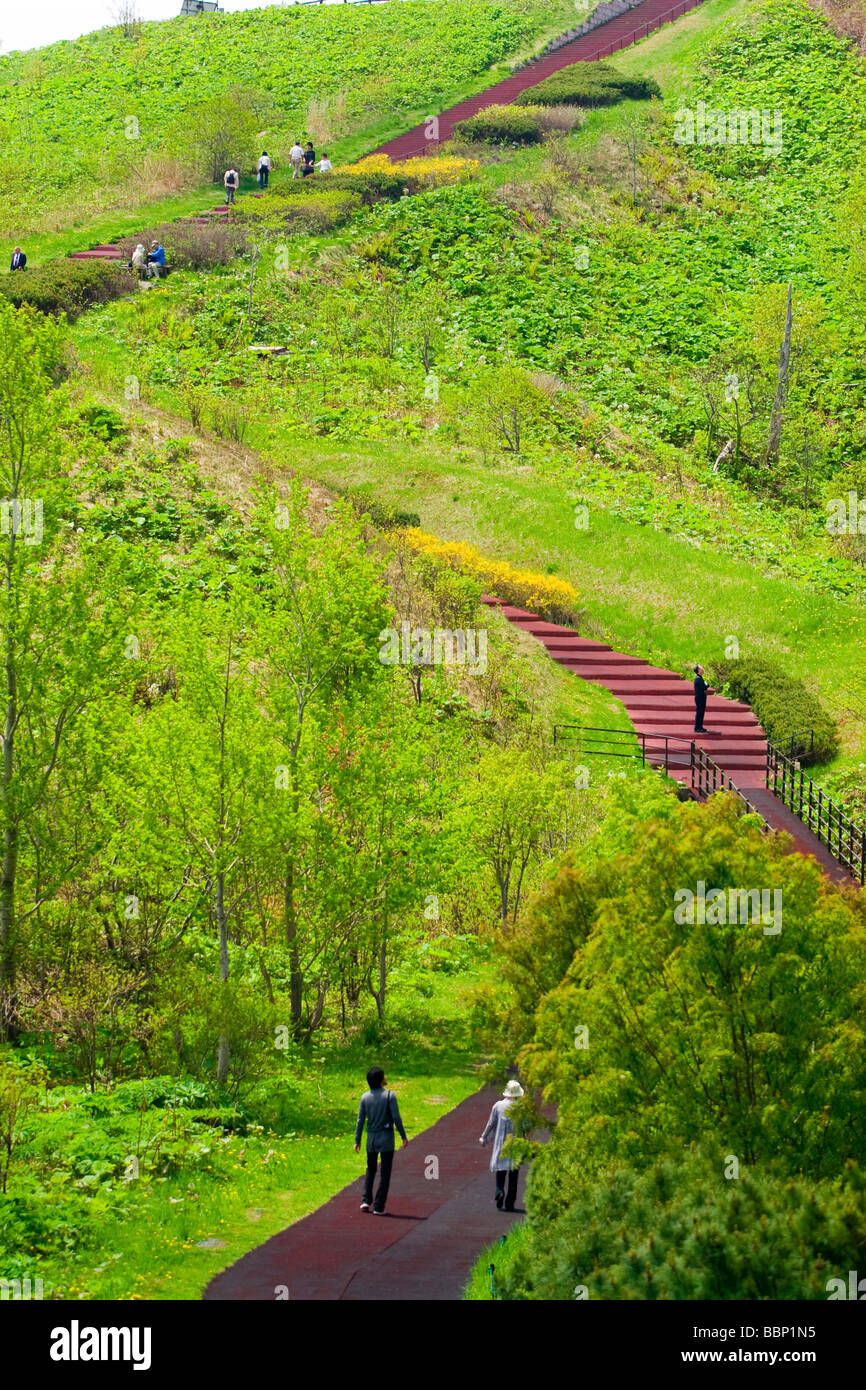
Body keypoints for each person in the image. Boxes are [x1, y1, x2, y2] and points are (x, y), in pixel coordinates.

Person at [354, 1065, 408, 1215]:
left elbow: (360, 1120)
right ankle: (378, 1205)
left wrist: (357, 1139)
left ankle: (366, 1200)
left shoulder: (365, 1097)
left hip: (371, 1138)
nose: (386, 1077)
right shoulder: (390, 1096)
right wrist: (403, 1135)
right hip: (386, 1138)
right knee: (385, 1173)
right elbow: (396, 1117)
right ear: (380, 1080)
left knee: (370, 1169)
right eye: (384, 1075)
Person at [480, 1079, 525, 1212]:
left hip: (501, 1142)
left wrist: (484, 1138)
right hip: (516, 1143)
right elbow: (526, 1125)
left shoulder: (498, 1106)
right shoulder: (521, 1108)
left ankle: (499, 1190)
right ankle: (510, 1202)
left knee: (501, 1170)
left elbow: (491, 1124)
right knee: (513, 1173)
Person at [693, 664, 715, 734]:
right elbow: (705, 686)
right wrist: (706, 685)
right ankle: (697, 728)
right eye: (701, 667)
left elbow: (706, 685)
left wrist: (706, 685)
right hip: (700, 698)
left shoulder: (700, 678)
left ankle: (700, 727)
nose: (703, 668)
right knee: (699, 713)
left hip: (702, 697)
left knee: (701, 713)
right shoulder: (698, 679)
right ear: (699, 670)